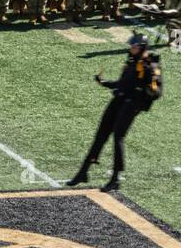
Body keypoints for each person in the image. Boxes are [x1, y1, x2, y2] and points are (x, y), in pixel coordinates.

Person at [65, 32, 162, 192]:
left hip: (131, 104)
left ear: (142, 47)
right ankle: (83, 172)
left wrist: (148, 88)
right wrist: (105, 83)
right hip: (118, 100)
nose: (131, 47)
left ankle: (115, 178)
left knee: (118, 137)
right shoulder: (132, 62)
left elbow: (157, 91)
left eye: (134, 46)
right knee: (101, 134)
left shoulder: (150, 66)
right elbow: (122, 83)